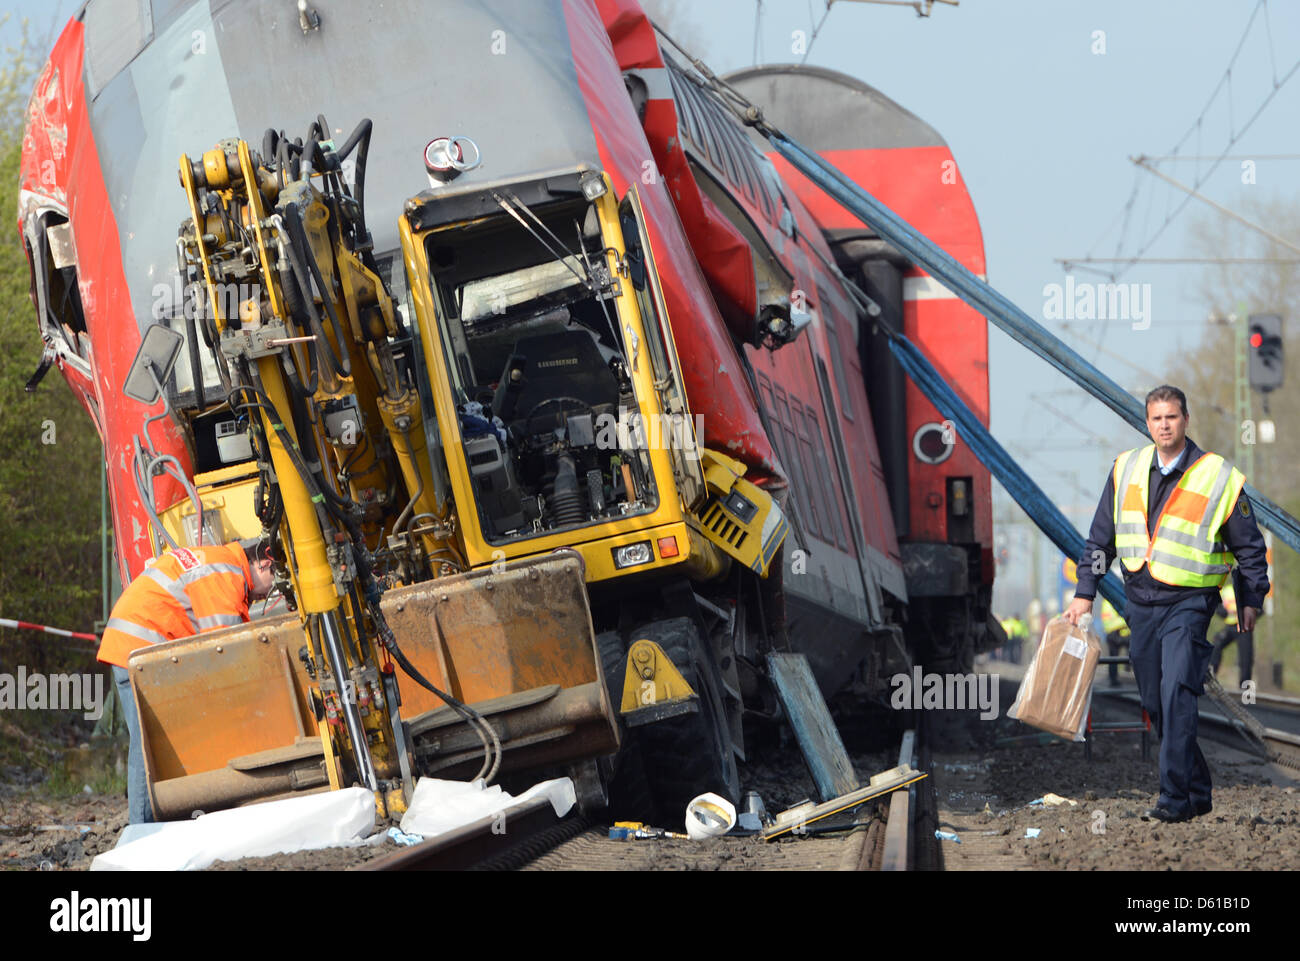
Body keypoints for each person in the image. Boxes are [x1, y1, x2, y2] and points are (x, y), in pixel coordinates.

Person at [1064, 386, 1268, 824]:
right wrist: (1085, 591)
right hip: (1141, 604)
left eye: (1171, 417)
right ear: (1147, 422)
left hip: (1190, 603)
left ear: (1185, 419)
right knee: (1156, 701)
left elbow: (1249, 548)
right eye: (1156, 418)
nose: (1164, 425)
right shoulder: (1126, 469)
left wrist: (1252, 598)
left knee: (1177, 691)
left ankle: (1173, 799)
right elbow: (1101, 539)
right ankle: (1196, 788)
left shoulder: (1218, 477)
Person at [98, 539, 276, 823]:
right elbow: (226, 653)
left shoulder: (218, 562)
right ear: (264, 563)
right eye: (273, 583)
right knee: (148, 750)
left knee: (152, 746)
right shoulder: (226, 575)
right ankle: (141, 834)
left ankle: (160, 824)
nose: (268, 593)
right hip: (141, 649)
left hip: (137, 647)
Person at [1209, 577, 1254, 685]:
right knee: (1216, 645)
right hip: (1229, 626)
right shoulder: (1226, 591)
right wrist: (1223, 612)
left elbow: (1257, 608)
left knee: (1246, 656)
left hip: (1244, 627)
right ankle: (1211, 676)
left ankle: (1245, 684)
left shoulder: (1248, 592)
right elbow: (1217, 605)